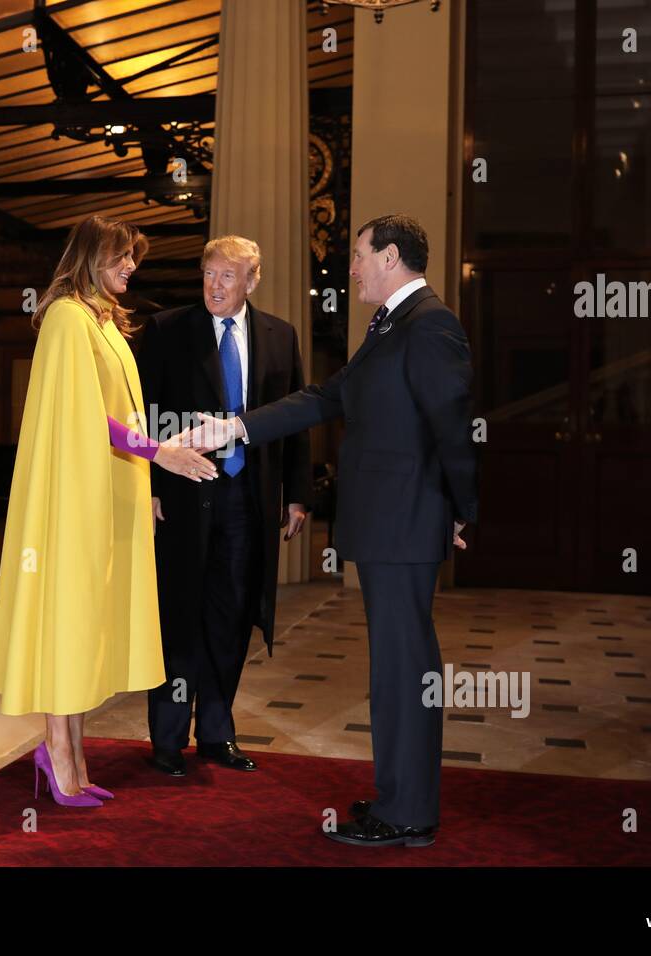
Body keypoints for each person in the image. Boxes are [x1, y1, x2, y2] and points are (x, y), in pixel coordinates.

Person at [181, 214, 477, 847]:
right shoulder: (389, 325)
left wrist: (460, 508)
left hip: (405, 521)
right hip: (388, 523)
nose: (352, 268)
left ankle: (410, 814)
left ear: (391, 257)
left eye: (360, 256)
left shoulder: (430, 325)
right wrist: (234, 428)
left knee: (406, 669)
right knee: (392, 671)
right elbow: (325, 397)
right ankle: (399, 796)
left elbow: (453, 425)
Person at [0, 215, 216, 807]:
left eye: (134, 257)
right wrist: (158, 451)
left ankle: (74, 754)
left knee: (89, 624)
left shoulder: (105, 320)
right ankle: (58, 750)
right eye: (122, 256)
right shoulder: (66, 317)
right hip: (73, 502)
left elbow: (121, 414)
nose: (131, 266)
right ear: (90, 255)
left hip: (108, 492)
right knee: (68, 621)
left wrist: (157, 454)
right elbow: (87, 418)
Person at [135, 235, 312, 777]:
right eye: (209, 274)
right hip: (183, 501)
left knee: (231, 619)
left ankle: (216, 733)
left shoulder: (281, 337)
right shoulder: (166, 330)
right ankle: (168, 740)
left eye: (227, 276)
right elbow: (143, 413)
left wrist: (299, 494)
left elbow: (296, 420)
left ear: (252, 280)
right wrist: (151, 486)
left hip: (248, 502)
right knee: (178, 616)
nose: (214, 285)